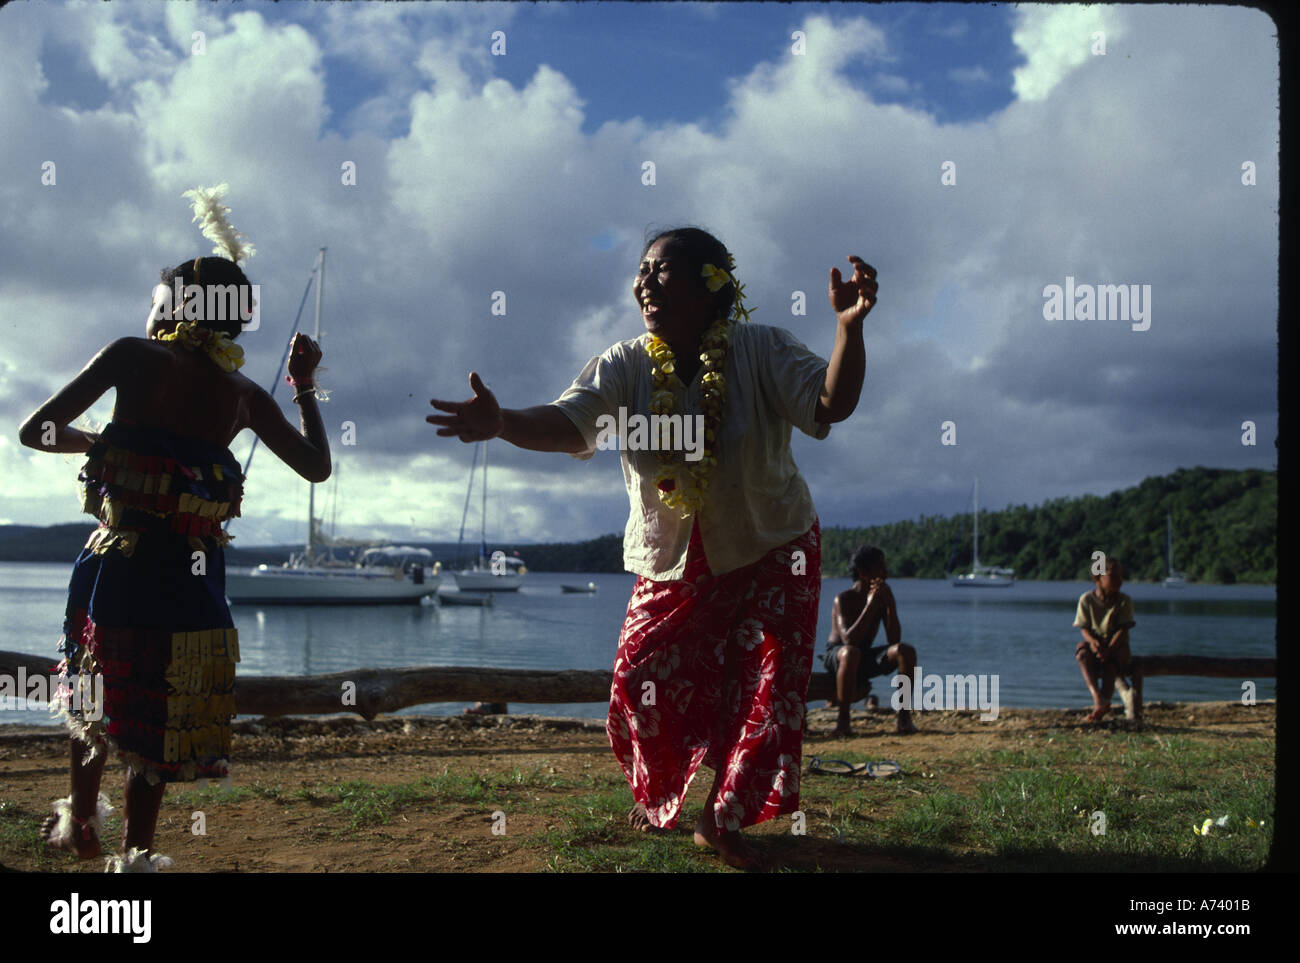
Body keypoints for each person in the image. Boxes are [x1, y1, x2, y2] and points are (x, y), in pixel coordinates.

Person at [429, 226, 877, 869]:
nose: (642, 283)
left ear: (711, 284)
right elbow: (569, 423)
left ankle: (720, 820)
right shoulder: (625, 365)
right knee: (638, 678)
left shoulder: (762, 348)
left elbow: (830, 403)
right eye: (640, 272)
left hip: (775, 543)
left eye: (660, 271)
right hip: (673, 555)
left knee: (764, 688)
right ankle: (666, 785)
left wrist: (849, 329)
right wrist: (502, 424)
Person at [19, 186, 331, 870]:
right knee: (158, 709)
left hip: (117, 561)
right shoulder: (243, 396)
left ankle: (82, 823)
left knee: (92, 681)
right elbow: (316, 467)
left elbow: (33, 428)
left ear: (174, 307)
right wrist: (304, 384)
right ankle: (136, 852)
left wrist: (97, 442)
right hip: (193, 578)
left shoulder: (132, 356)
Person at [823, 545, 918, 736]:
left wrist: (890, 604)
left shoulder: (881, 598)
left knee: (905, 651)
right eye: (880, 567)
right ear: (863, 572)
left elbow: (894, 640)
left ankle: (904, 718)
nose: (886, 573)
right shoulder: (843, 599)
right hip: (838, 656)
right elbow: (849, 639)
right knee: (851, 653)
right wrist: (870, 605)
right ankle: (843, 722)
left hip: (862, 656)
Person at [1074, 557, 1135, 722]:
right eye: (1113, 576)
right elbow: (1084, 628)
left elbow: (1123, 630)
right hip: (1097, 647)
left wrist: (1109, 649)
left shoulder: (1124, 601)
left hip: (1117, 648)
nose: (1119, 581)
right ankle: (1097, 698)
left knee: (1111, 663)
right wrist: (1093, 642)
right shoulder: (1086, 600)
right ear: (1097, 578)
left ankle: (1104, 702)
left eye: (1120, 576)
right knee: (1081, 653)